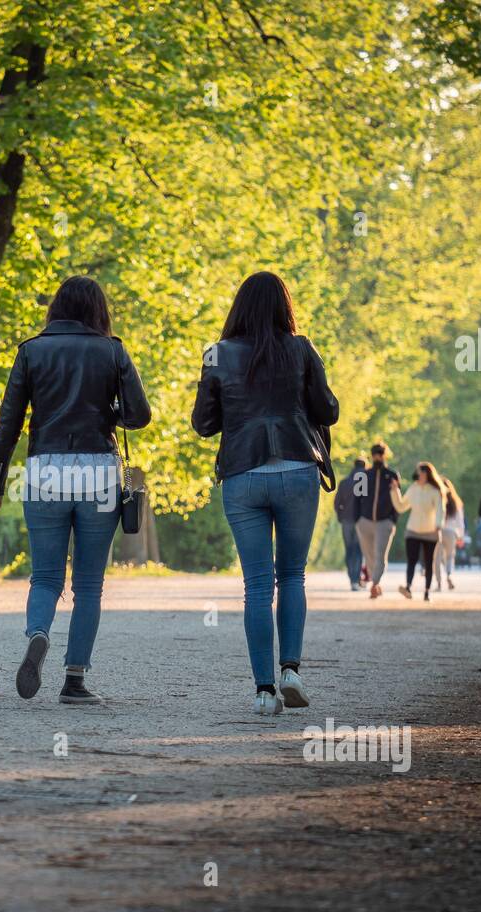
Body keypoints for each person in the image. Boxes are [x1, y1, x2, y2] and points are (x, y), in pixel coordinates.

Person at [0, 276, 150, 705]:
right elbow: (140, 415)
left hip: (45, 472)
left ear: (56, 308)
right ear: (99, 310)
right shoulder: (113, 350)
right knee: (89, 585)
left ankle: (39, 633)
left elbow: (9, 423)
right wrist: (107, 411)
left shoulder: (31, 350)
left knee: (45, 577)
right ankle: (74, 680)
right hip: (98, 474)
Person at [192, 271, 339, 714]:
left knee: (257, 584)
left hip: (243, 473)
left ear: (239, 307)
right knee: (292, 575)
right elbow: (328, 410)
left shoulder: (217, 354)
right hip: (297, 468)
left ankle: (262, 693)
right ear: (284, 307)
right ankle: (291, 670)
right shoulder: (301, 348)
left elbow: (202, 423)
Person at [392, 462, 446, 601]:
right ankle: (408, 587)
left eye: (420, 472)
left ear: (426, 474)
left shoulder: (435, 491)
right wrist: (395, 491)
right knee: (411, 560)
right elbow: (401, 506)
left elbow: (440, 510)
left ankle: (427, 592)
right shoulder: (413, 489)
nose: (417, 474)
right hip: (413, 530)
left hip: (430, 532)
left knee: (429, 562)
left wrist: (439, 525)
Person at [354, 442, 400, 600]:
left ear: (384, 455)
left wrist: (393, 519)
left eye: (380, 453)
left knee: (380, 554)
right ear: (371, 455)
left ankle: (375, 584)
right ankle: (376, 582)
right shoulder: (364, 476)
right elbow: (357, 499)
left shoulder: (392, 475)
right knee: (369, 555)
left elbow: (396, 499)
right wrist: (357, 519)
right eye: (375, 453)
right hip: (364, 521)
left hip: (384, 522)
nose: (377, 456)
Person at [333, 456, 365, 590]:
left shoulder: (344, 482)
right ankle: (355, 580)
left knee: (349, 550)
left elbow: (337, 503)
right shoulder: (362, 482)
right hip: (359, 521)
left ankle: (352, 578)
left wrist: (341, 516)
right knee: (358, 551)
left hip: (346, 520)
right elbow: (363, 502)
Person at [434, 476, 464, 592]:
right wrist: (460, 536)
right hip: (451, 533)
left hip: (438, 531)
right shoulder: (456, 503)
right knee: (450, 557)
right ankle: (449, 575)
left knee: (437, 558)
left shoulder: (437, 500)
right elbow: (460, 521)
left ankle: (439, 583)